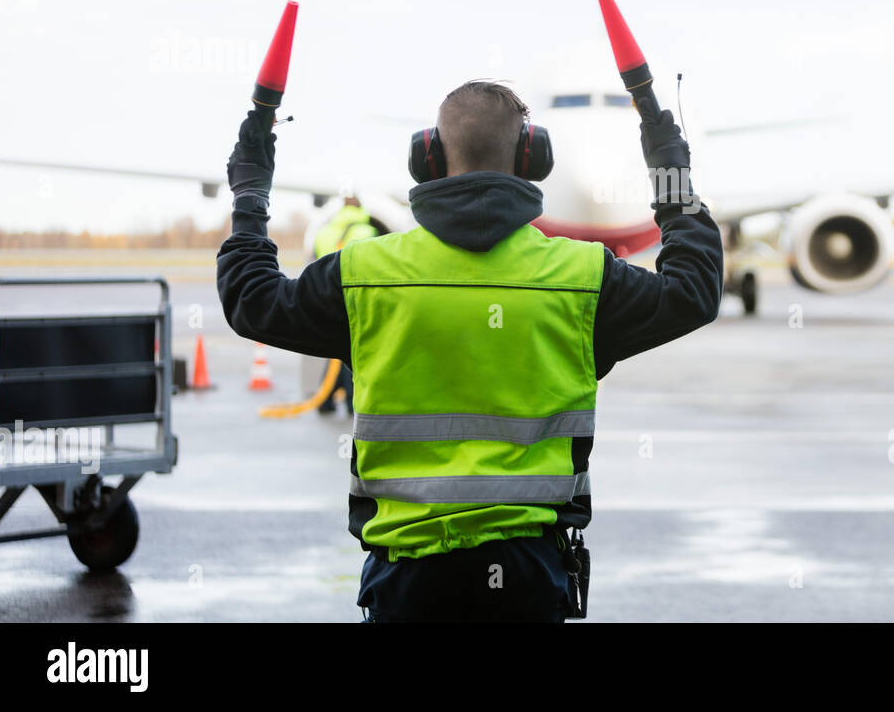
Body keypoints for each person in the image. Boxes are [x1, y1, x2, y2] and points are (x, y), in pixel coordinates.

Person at [217, 79, 722, 621]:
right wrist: (672, 172)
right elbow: (693, 289)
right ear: (532, 156)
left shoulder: (364, 275)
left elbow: (250, 298)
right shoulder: (583, 278)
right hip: (529, 575)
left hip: (407, 579)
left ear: (427, 156)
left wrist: (251, 196)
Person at [311, 196, 378, 415]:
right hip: (356, 301)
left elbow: (314, 264)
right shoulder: (367, 233)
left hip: (329, 299)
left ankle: (326, 400)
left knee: (336, 353)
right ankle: (351, 404)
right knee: (353, 355)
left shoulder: (323, 233)